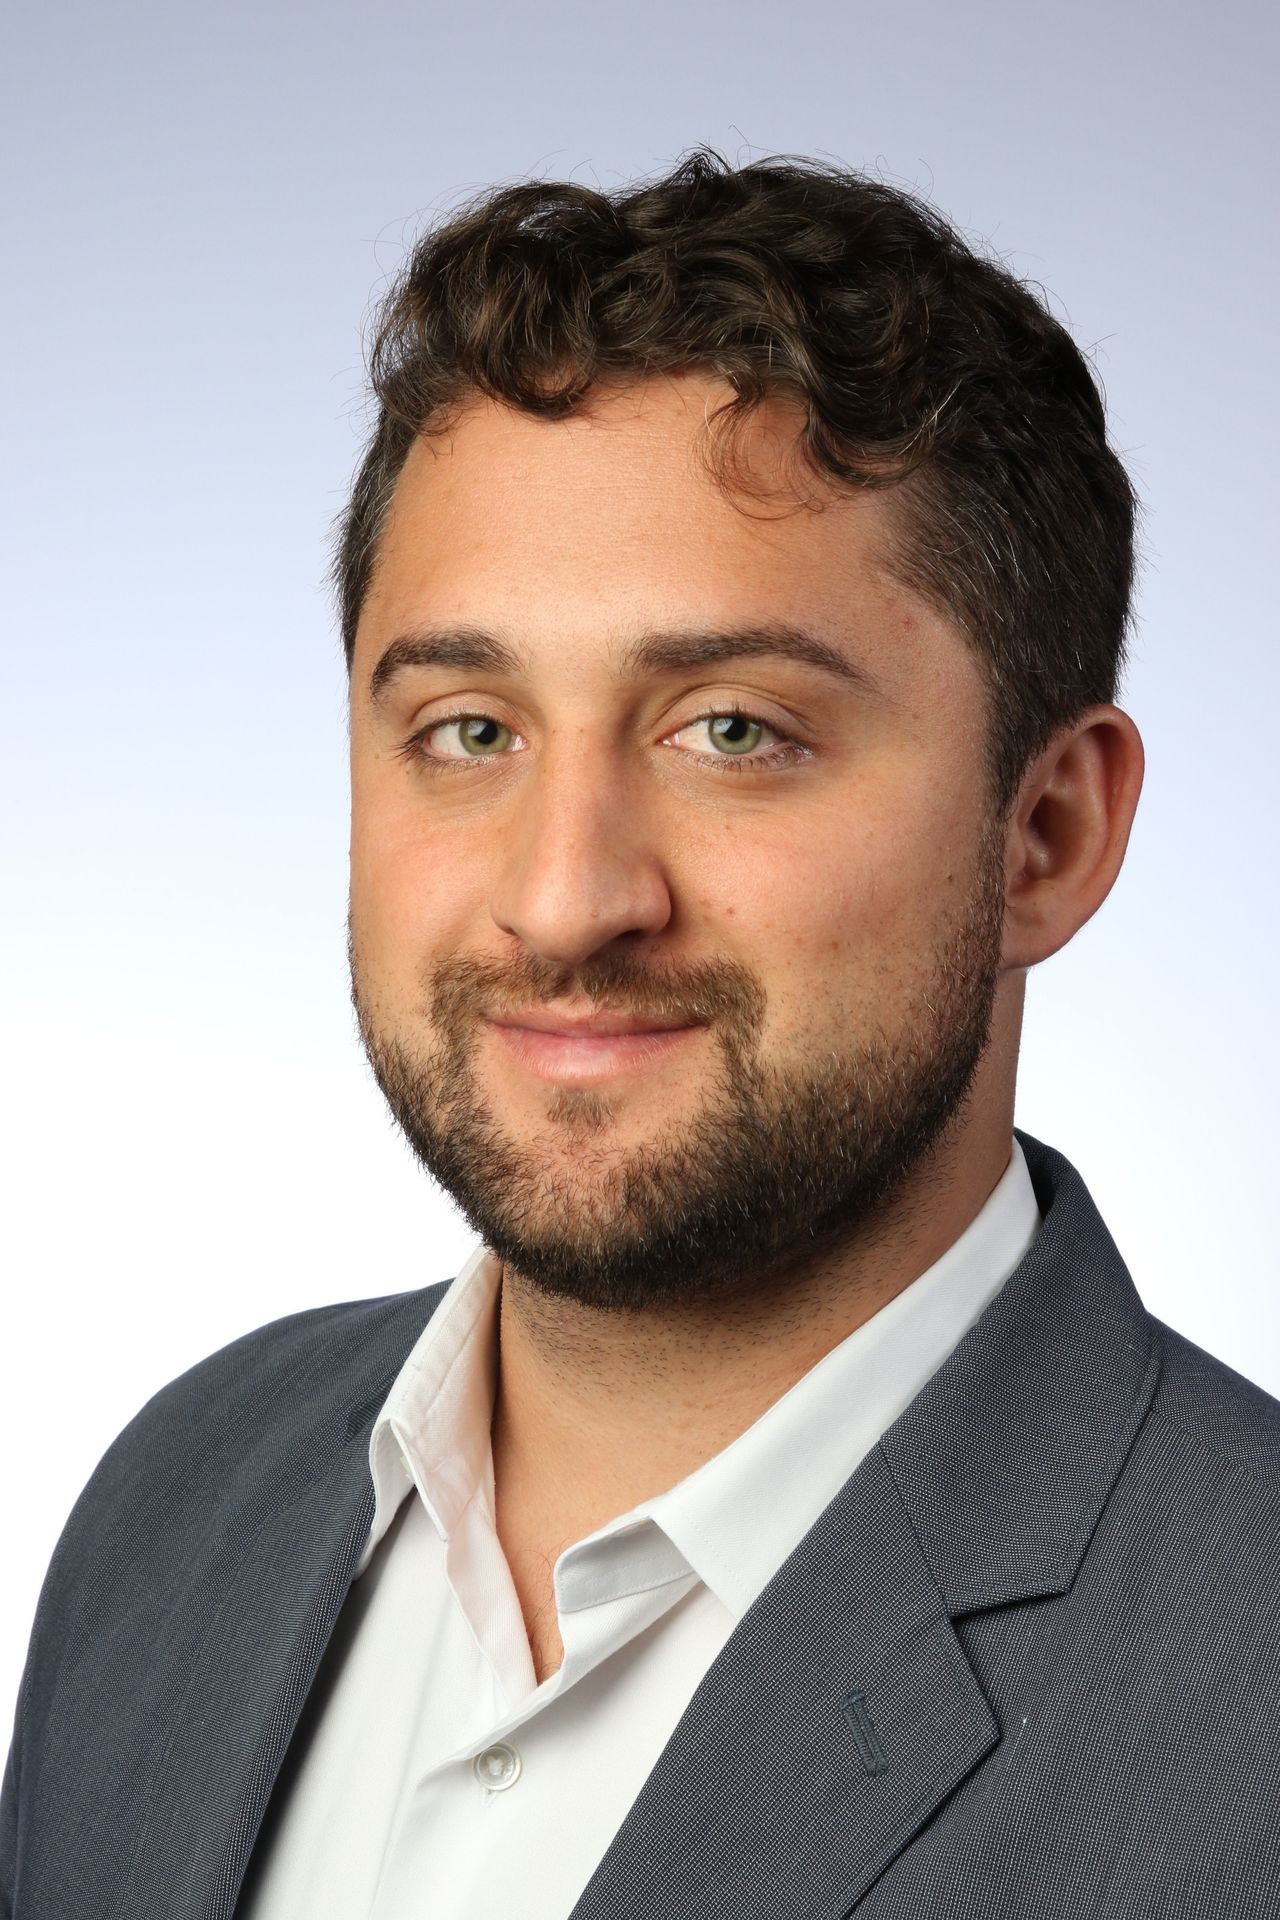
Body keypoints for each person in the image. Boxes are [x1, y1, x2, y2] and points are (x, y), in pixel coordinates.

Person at [3, 149, 1278, 1920]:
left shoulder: (1248, 1701)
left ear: (1046, 836)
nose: (565, 897)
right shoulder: (178, 1497)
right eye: (468, 728)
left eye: (733, 730)